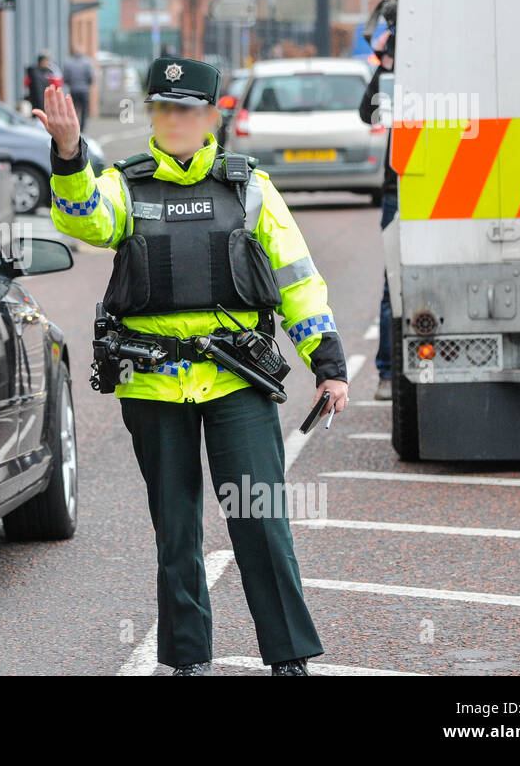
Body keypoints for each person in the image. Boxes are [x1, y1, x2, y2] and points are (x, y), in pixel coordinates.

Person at [34, 55, 349, 677]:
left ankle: (288, 658)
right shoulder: (125, 185)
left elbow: (297, 281)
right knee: (176, 532)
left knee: (260, 522)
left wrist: (328, 362)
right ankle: (187, 661)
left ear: (211, 115)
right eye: (163, 108)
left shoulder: (250, 187)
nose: (173, 119)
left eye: (186, 110)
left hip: (238, 380)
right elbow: (83, 220)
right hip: (153, 384)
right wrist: (70, 156)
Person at [360, 30, 397, 400]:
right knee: (394, 283)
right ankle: (387, 373)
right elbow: (367, 113)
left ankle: (388, 371)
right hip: (400, 185)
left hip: (443, 180)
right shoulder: (398, 65)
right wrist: (386, 62)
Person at [61, 46, 95, 134]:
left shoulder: (69, 62)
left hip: (73, 89)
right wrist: (87, 84)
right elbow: (90, 77)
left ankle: (74, 127)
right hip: (84, 90)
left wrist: (71, 84)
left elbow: (65, 77)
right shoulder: (87, 61)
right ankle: (82, 129)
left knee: (74, 110)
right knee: (84, 111)